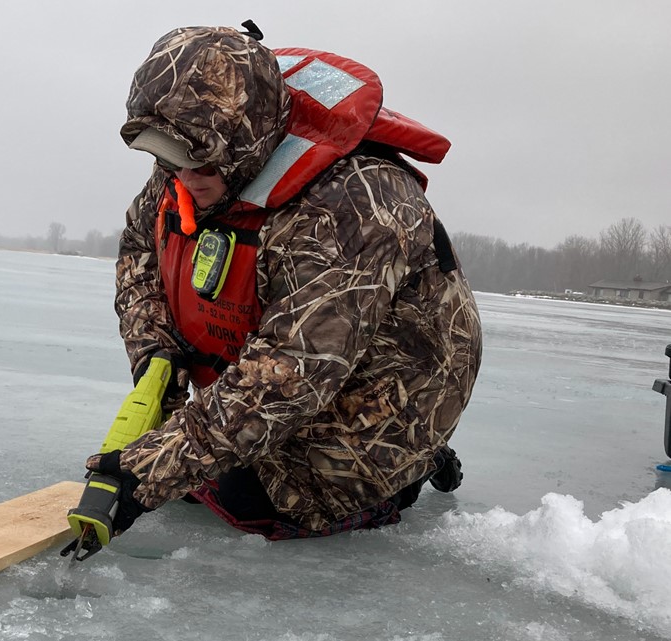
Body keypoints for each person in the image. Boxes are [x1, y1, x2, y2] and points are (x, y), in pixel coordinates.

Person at [85, 23, 483, 540]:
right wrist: (156, 352)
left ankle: (405, 472)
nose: (183, 176)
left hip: (389, 390)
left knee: (254, 500)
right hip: (290, 367)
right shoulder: (196, 158)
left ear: (246, 138)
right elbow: (141, 249)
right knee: (198, 471)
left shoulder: (352, 204)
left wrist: (147, 474)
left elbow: (293, 370)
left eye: (197, 160)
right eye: (169, 158)